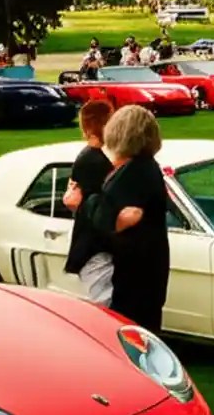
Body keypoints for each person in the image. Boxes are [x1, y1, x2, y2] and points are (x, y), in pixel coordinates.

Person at [76, 106, 170, 334]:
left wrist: (82, 201)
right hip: (148, 266)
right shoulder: (145, 168)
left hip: (133, 273)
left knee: (126, 332)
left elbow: (110, 221)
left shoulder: (134, 173)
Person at [62, 100, 116, 305]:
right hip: (95, 245)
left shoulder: (91, 158)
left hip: (94, 243)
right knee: (106, 304)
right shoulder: (95, 162)